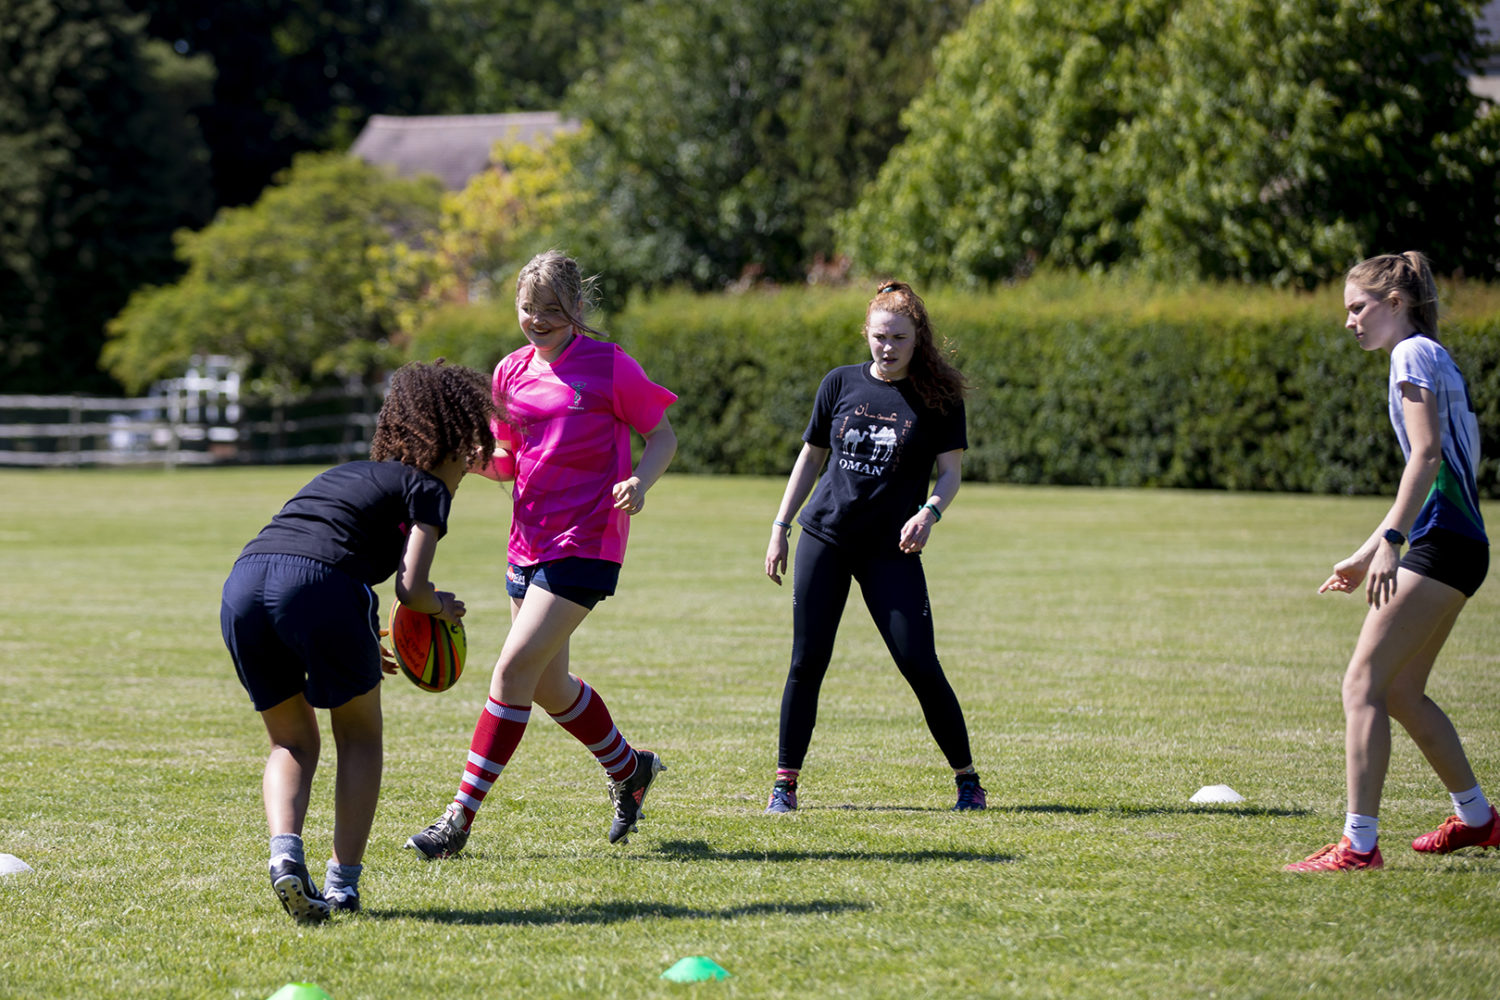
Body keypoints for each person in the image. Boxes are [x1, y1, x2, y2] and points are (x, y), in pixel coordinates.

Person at [406, 250, 678, 858]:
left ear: (578, 309)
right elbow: (506, 460)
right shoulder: (508, 372)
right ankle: (631, 770)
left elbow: (661, 433)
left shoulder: (609, 365)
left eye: (550, 313)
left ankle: (457, 820)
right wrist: (453, 458)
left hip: (587, 542)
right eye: (527, 311)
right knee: (551, 687)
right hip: (526, 542)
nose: (536, 322)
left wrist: (641, 479)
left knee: (510, 672)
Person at [220, 360, 497, 921]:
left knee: (291, 743)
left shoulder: (346, 474)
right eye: (467, 456)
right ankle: (343, 886)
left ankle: (283, 856)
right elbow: (410, 587)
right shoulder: (427, 486)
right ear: (449, 441)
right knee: (360, 739)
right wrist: (442, 606)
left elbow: (316, 546)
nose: (467, 470)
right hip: (321, 588)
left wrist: (362, 630)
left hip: (243, 585)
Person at [1285, 252, 1495, 872]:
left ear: (1394, 303)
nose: (1349, 321)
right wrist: (1365, 552)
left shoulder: (1409, 355)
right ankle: (1479, 820)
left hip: (1441, 541)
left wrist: (1395, 542)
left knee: (1362, 684)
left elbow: (1425, 457)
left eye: (1358, 307)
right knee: (1401, 689)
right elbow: (1431, 474)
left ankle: (1358, 845)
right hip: (1462, 541)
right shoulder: (1430, 353)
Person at [761, 280, 986, 814]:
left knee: (918, 662)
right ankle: (784, 787)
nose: (888, 347)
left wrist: (929, 513)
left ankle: (968, 781)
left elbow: (951, 474)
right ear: (866, 332)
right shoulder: (839, 383)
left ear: (918, 339)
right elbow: (810, 458)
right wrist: (780, 526)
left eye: (900, 339)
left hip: (892, 550)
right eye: (880, 336)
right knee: (806, 662)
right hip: (826, 536)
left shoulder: (938, 397)